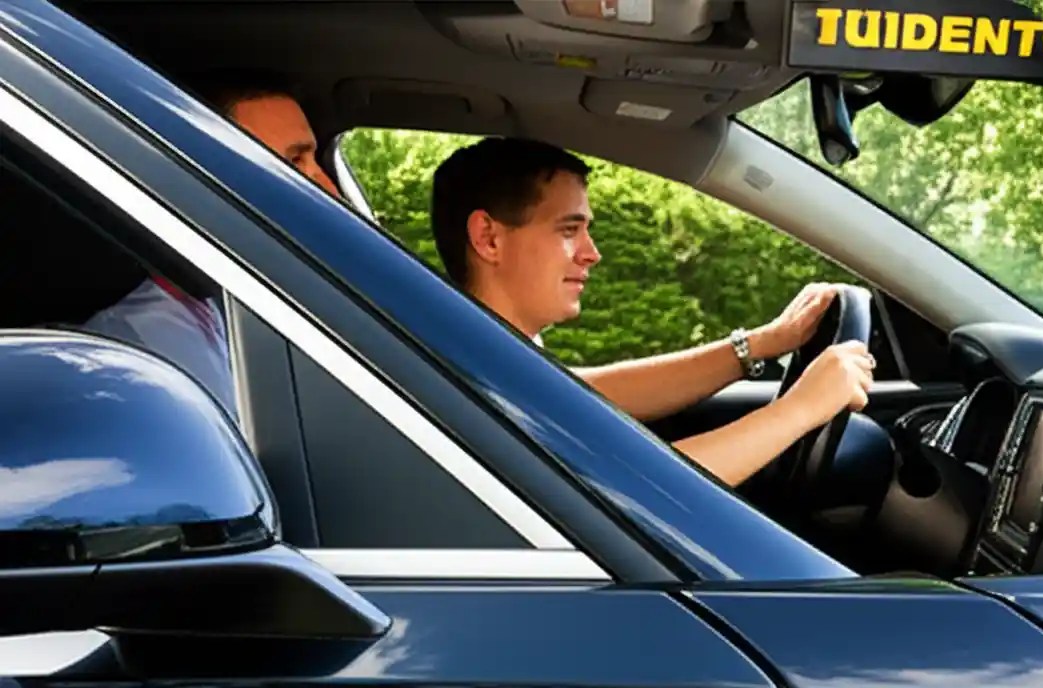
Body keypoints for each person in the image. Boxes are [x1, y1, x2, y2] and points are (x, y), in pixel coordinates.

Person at [431, 137, 877, 487]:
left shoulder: (484, 353)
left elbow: (583, 396)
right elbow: (622, 495)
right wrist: (802, 409)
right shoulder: (463, 382)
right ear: (489, 238)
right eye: (569, 230)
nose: (592, 254)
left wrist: (761, 344)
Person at [81, 72, 343, 419]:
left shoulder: (274, 311)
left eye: (316, 161)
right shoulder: (133, 354)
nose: (331, 191)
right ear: (210, 183)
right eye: (295, 163)